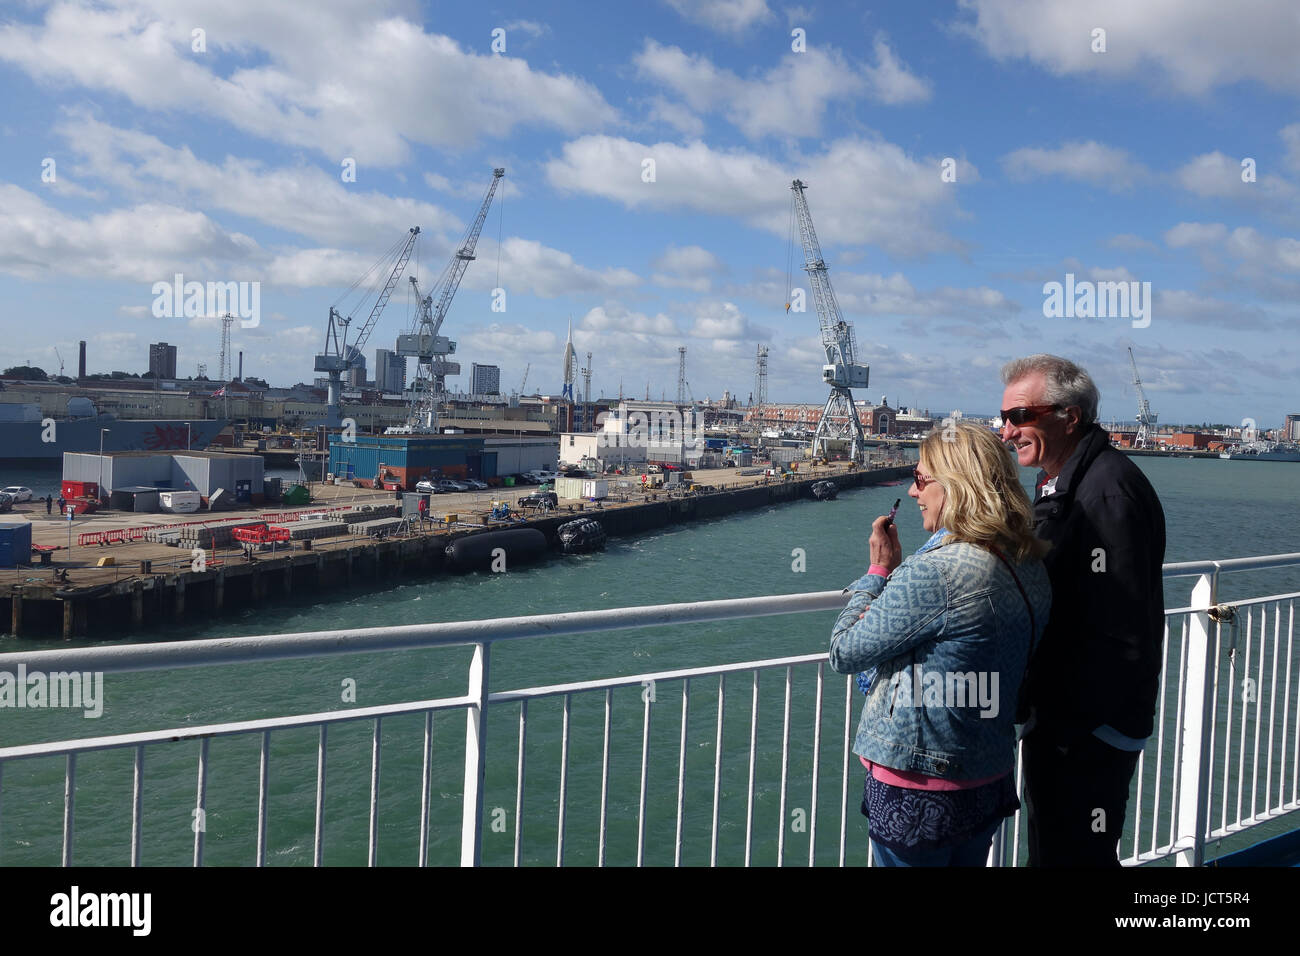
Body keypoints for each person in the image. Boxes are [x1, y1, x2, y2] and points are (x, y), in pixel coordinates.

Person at [829, 421, 1051, 866]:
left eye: (920, 479)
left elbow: (845, 649)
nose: (913, 493)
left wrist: (876, 574)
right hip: (986, 773)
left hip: (919, 786)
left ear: (954, 485)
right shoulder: (1029, 561)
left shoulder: (940, 570)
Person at [999, 354, 1166, 867]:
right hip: (1068, 719)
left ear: (1069, 417)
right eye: (1004, 419)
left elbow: (1124, 623)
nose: (1007, 432)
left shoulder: (1106, 493)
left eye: (1020, 417)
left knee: (1071, 855)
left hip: (1085, 729)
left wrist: (1076, 720)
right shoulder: (1069, 481)